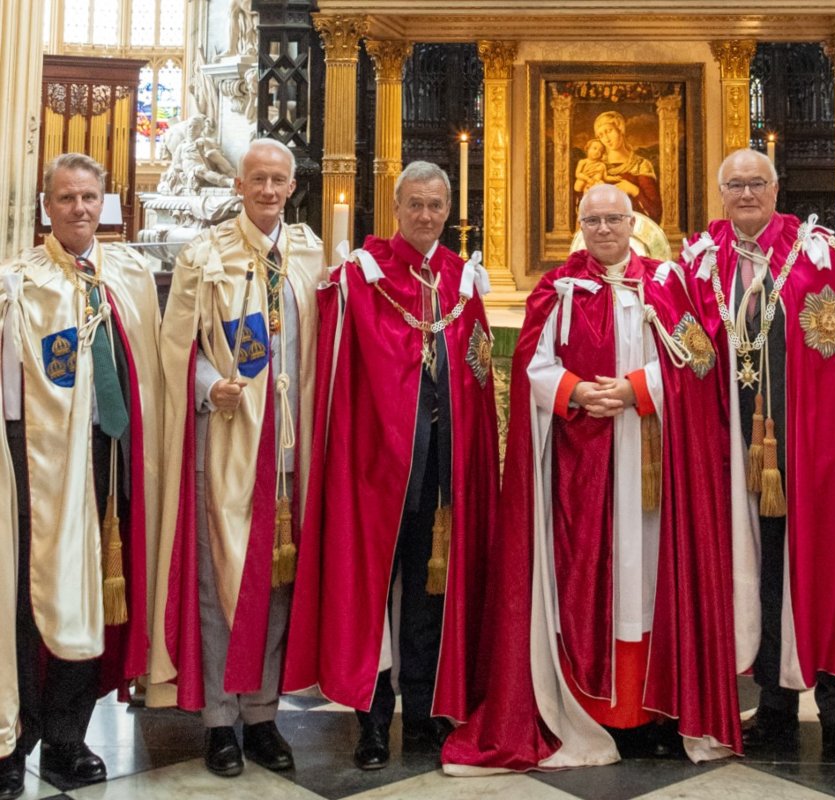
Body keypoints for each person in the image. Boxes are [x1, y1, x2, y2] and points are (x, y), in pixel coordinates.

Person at [442, 184, 739, 773]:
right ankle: (591, 710)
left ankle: (650, 713)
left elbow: (698, 360)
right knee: (587, 581)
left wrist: (637, 388)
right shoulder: (558, 289)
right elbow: (532, 364)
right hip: (580, 466)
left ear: (633, 223)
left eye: (614, 219)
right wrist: (576, 391)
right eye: (593, 220)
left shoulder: (667, 285)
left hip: (651, 460)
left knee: (647, 578)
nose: (604, 229)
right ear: (580, 226)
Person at [283, 161, 499, 770]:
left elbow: (477, 374)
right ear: (396, 207)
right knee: (372, 591)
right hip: (375, 468)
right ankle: (373, 721)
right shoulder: (363, 274)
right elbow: (338, 366)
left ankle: (425, 713)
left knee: (432, 590)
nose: (425, 216)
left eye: (436, 205)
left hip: (442, 469)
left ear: (448, 210)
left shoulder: (461, 278)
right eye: (415, 205)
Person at [679, 148, 835, 768]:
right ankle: (776, 709)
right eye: (734, 184)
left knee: (827, 575)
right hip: (735, 457)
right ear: (720, 193)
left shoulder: (817, 253)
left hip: (814, 452)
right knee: (760, 576)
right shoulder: (701, 261)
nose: (745, 194)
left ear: (776, 188)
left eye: (756, 183)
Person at [149, 138, 324, 778]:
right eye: (258, 179)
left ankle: (264, 714)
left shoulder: (310, 257)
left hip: (290, 451)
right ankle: (220, 720)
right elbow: (177, 348)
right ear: (239, 186)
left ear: (292, 186)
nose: (269, 190)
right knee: (218, 581)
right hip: (226, 442)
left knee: (278, 584)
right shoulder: (205, 256)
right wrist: (207, 386)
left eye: (279, 180)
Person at [0, 153, 163, 799]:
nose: (79, 208)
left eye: (89, 197)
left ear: (105, 203)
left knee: (98, 589)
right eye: (66, 198)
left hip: (109, 453)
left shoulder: (126, 275)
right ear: (47, 207)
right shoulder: (22, 282)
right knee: (31, 594)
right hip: (38, 460)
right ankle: (15, 738)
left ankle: (68, 737)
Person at [593, 111, 663, 224]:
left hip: (636, 229)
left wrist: (633, 190)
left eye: (609, 131)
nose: (606, 138)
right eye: (601, 135)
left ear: (620, 129)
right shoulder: (597, 166)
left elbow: (655, 213)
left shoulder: (641, 165)